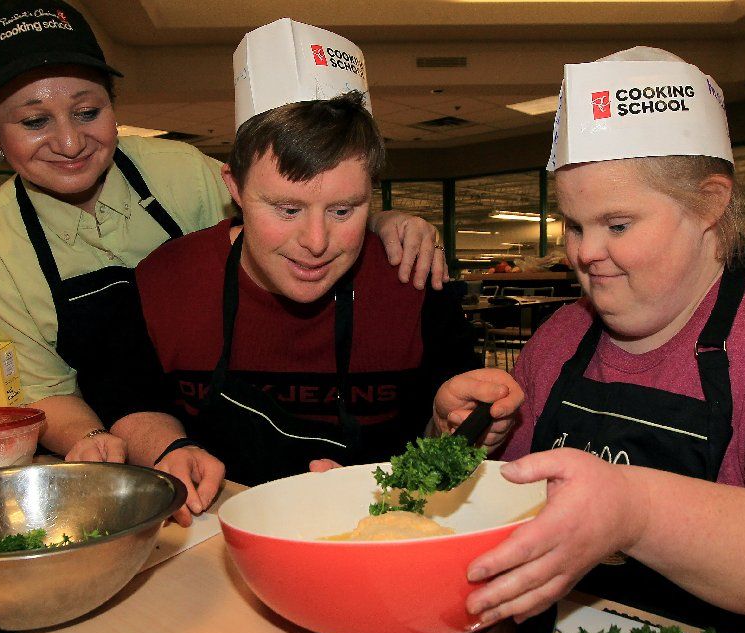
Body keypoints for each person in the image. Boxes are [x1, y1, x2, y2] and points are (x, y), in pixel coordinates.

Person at [435, 47, 745, 633]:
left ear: (709, 203)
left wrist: (632, 510)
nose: (585, 253)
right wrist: (459, 445)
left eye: (617, 225)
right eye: (573, 224)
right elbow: (480, 522)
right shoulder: (563, 338)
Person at [0, 2, 447, 472]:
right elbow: (40, 390)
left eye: (87, 111)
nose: (70, 143)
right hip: (105, 439)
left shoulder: (180, 170)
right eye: (34, 120)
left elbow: (288, 195)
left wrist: (381, 221)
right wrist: (96, 441)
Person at [108, 19, 485, 494]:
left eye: (343, 209)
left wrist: (455, 428)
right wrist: (168, 450)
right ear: (235, 187)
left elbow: (451, 435)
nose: (316, 241)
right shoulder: (164, 282)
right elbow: (129, 400)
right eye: (288, 209)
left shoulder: (414, 282)